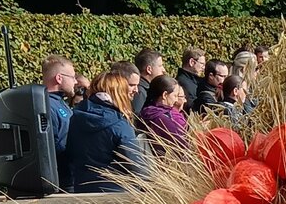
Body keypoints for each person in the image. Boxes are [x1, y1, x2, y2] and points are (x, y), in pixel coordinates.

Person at [63, 62, 149, 191]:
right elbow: (136, 165)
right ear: (119, 94)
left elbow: (70, 153)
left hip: (83, 191)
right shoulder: (119, 123)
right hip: (117, 194)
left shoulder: (75, 117)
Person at [41, 56, 76, 177]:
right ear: (59, 78)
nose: (75, 82)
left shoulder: (58, 102)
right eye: (72, 77)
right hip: (63, 178)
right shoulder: (48, 106)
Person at [139, 75, 190, 150]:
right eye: (175, 96)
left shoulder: (148, 111)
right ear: (165, 95)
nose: (176, 100)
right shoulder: (163, 119)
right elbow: (182, 144)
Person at [175, 47, 219, 114]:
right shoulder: (183, 82)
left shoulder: (194, 80)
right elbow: (191, 107)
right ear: (192, 62)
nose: (204, 68)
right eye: (202, 64)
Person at [132, 48, 166, 118]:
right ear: (149, 69)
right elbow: (135, 119)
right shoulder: (140, 92)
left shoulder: (146, 89)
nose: (164, 70)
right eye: (160, 66)